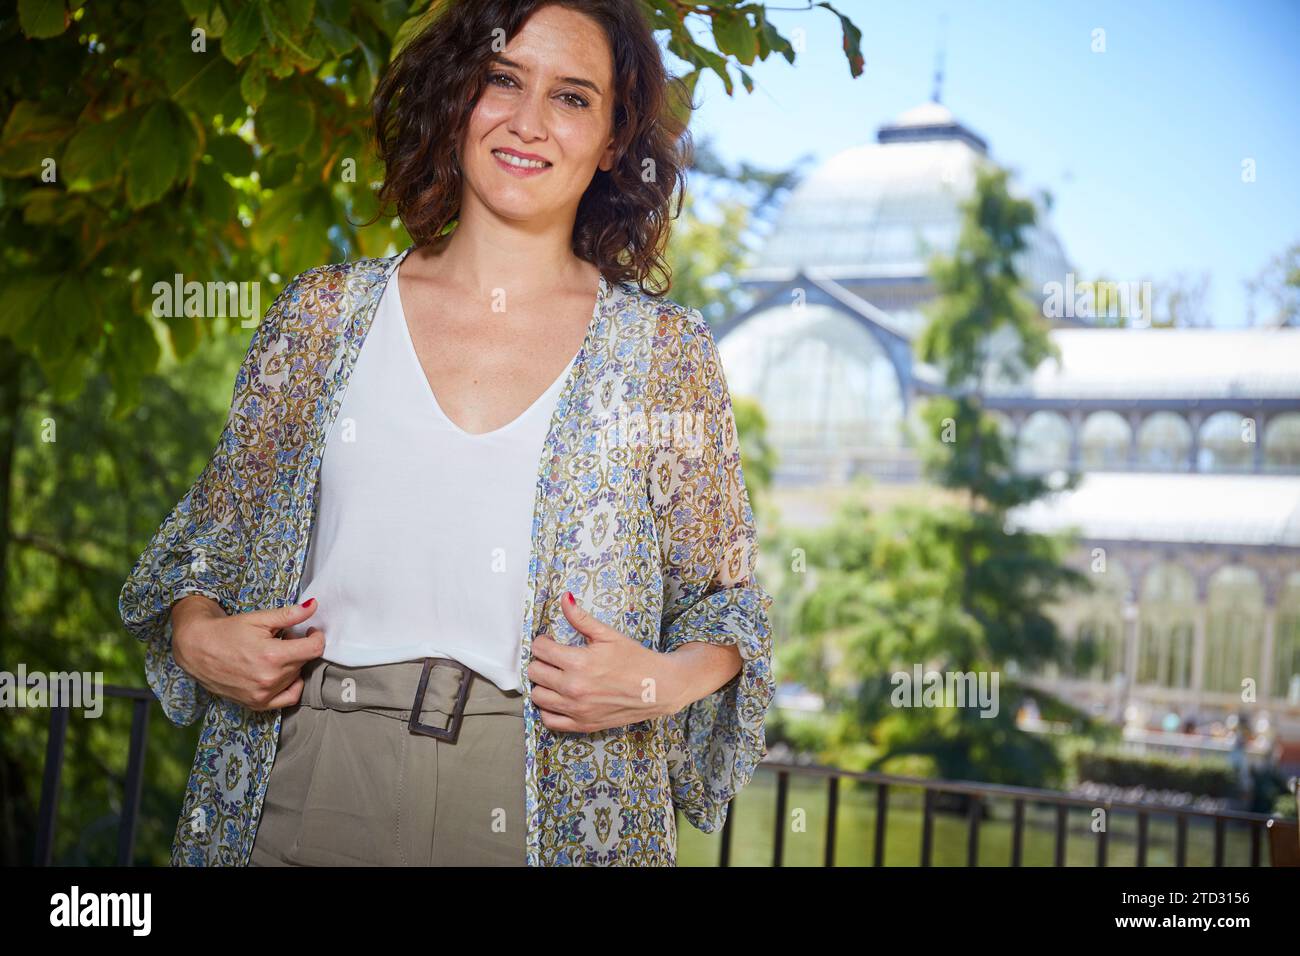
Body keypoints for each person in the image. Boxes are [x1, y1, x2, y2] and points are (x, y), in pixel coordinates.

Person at [118, 0, 774, 867]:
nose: (528, 122)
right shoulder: (321, 317)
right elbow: (203, 551)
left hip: (554, 802)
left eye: (573, 98)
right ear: (459, 92)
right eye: (504, 79)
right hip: (309, 773)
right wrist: (199, 636)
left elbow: (729, 611)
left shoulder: (663, 354)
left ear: (614, 140)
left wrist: (659, 681)